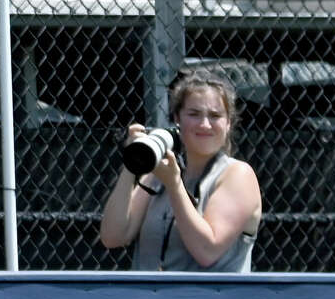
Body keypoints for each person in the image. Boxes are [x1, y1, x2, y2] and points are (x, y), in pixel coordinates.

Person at [99, 70, 262, 272]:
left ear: (228, 123)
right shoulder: (158, 176)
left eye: (215, 116)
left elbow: (207, 251)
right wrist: (132, 163)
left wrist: (175, 186)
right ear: (177, 118)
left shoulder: (238, 175)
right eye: (194, 114)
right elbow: (112, 236)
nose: (204, 124)